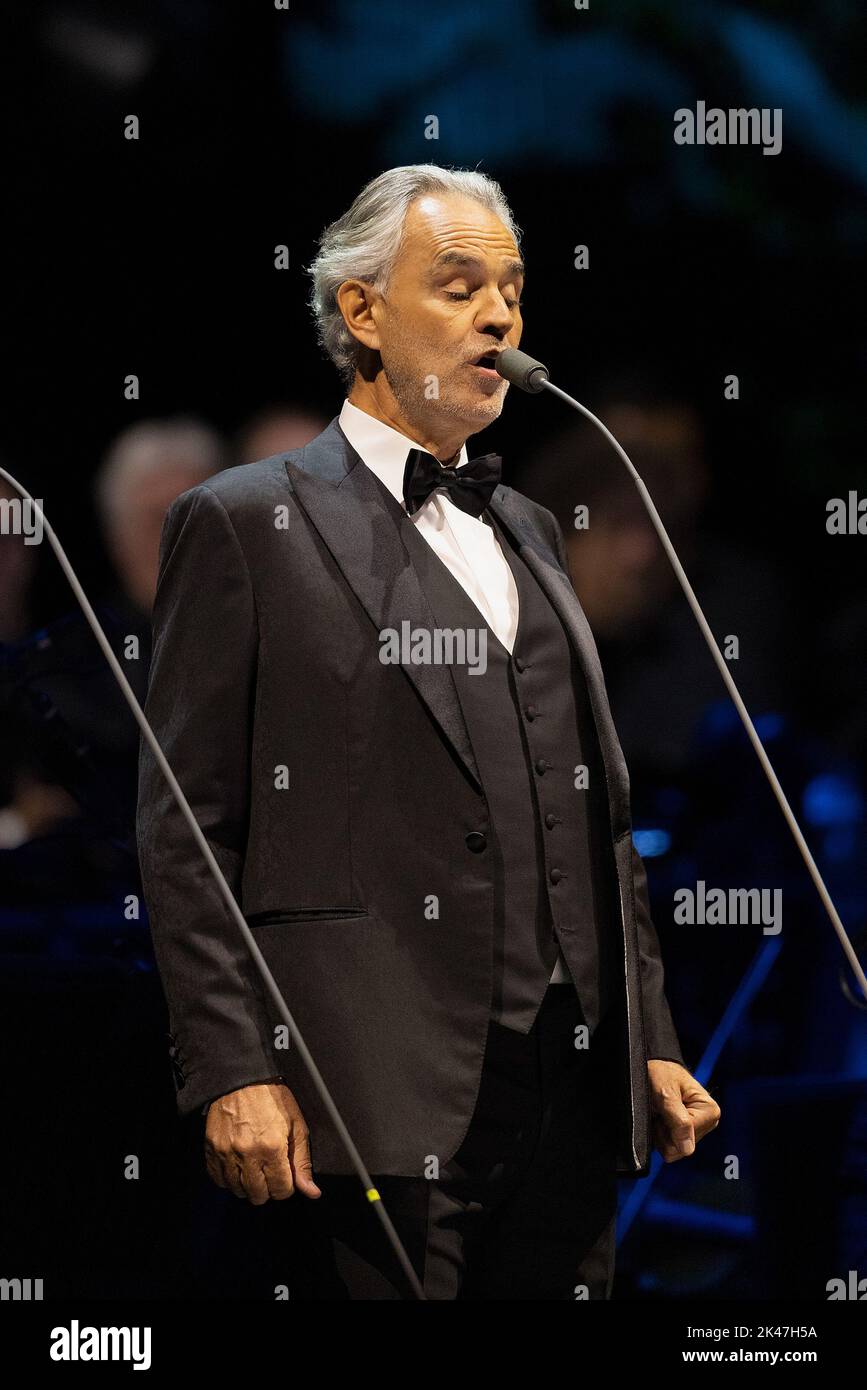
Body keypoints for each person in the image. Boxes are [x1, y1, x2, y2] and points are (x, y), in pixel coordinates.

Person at [136, 164, 720, 1300]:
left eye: (511, 287)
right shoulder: (247, 521)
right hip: (363, 1096)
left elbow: (596, 815)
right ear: (361, 311)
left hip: (571, 1097)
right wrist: (230, 1067)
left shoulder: (534, 533)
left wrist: (649, 1035)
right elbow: (184, 824)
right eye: (459, 286)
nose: (500, 313)